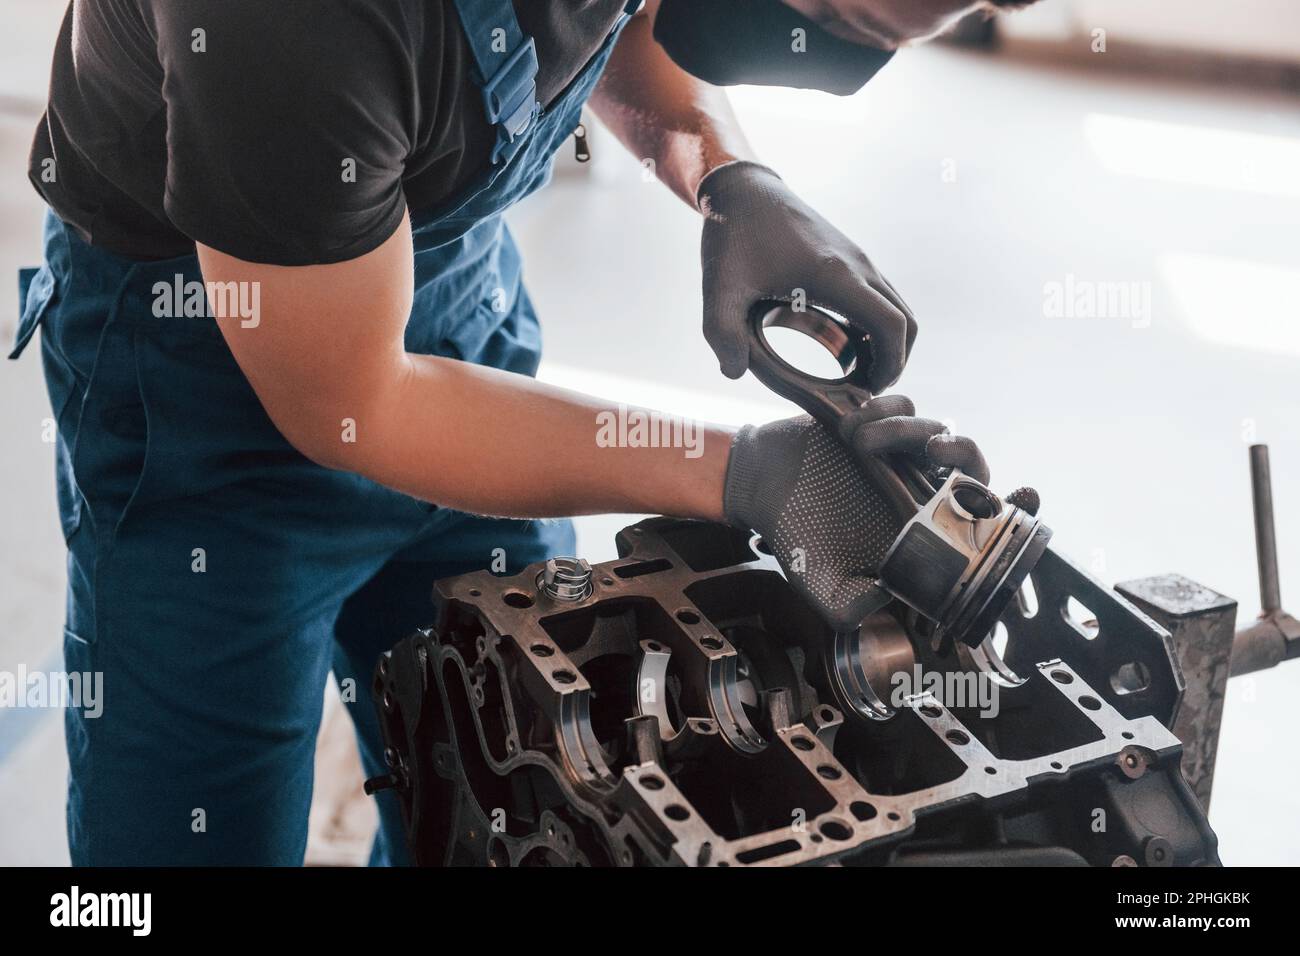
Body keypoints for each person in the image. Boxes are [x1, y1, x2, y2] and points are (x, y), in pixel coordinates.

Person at [11, 0, 1019, 864]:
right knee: (197, 829)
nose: (841, 57)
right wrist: (746, 470)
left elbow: (612, 27)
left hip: (449, 311)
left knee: (507, 758)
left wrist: (727, 173)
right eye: (836, 22)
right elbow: (353, 403)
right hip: (205, 389)